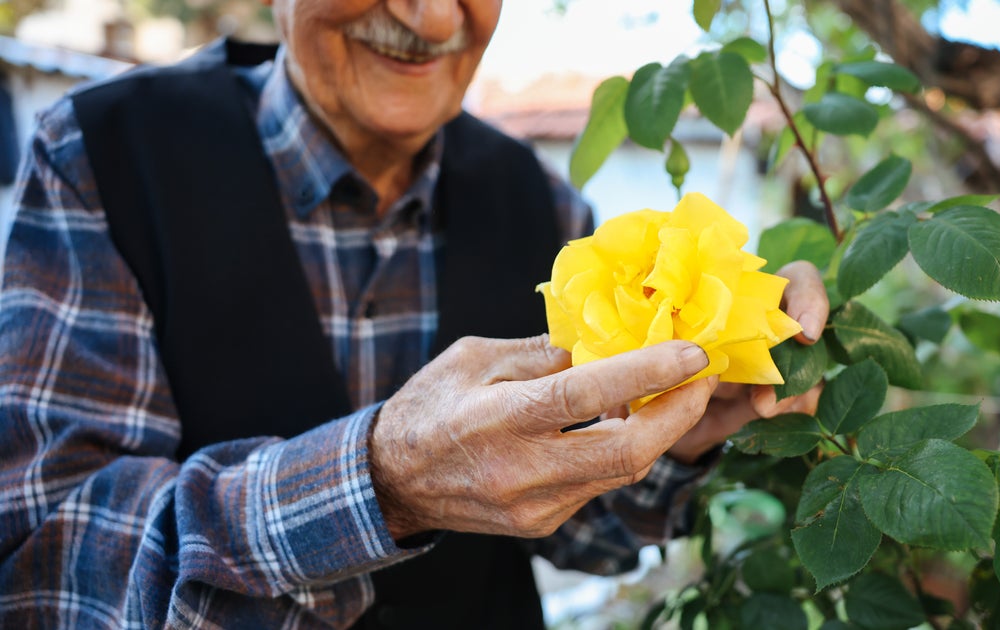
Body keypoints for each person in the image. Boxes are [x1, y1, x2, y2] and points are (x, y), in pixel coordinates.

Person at [0, 1, 829, 628]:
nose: (431, 17)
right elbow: (44, 563)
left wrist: (675, 433)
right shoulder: (105, 155)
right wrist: (380, 484)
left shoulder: (540, 203)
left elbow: (586, 539)